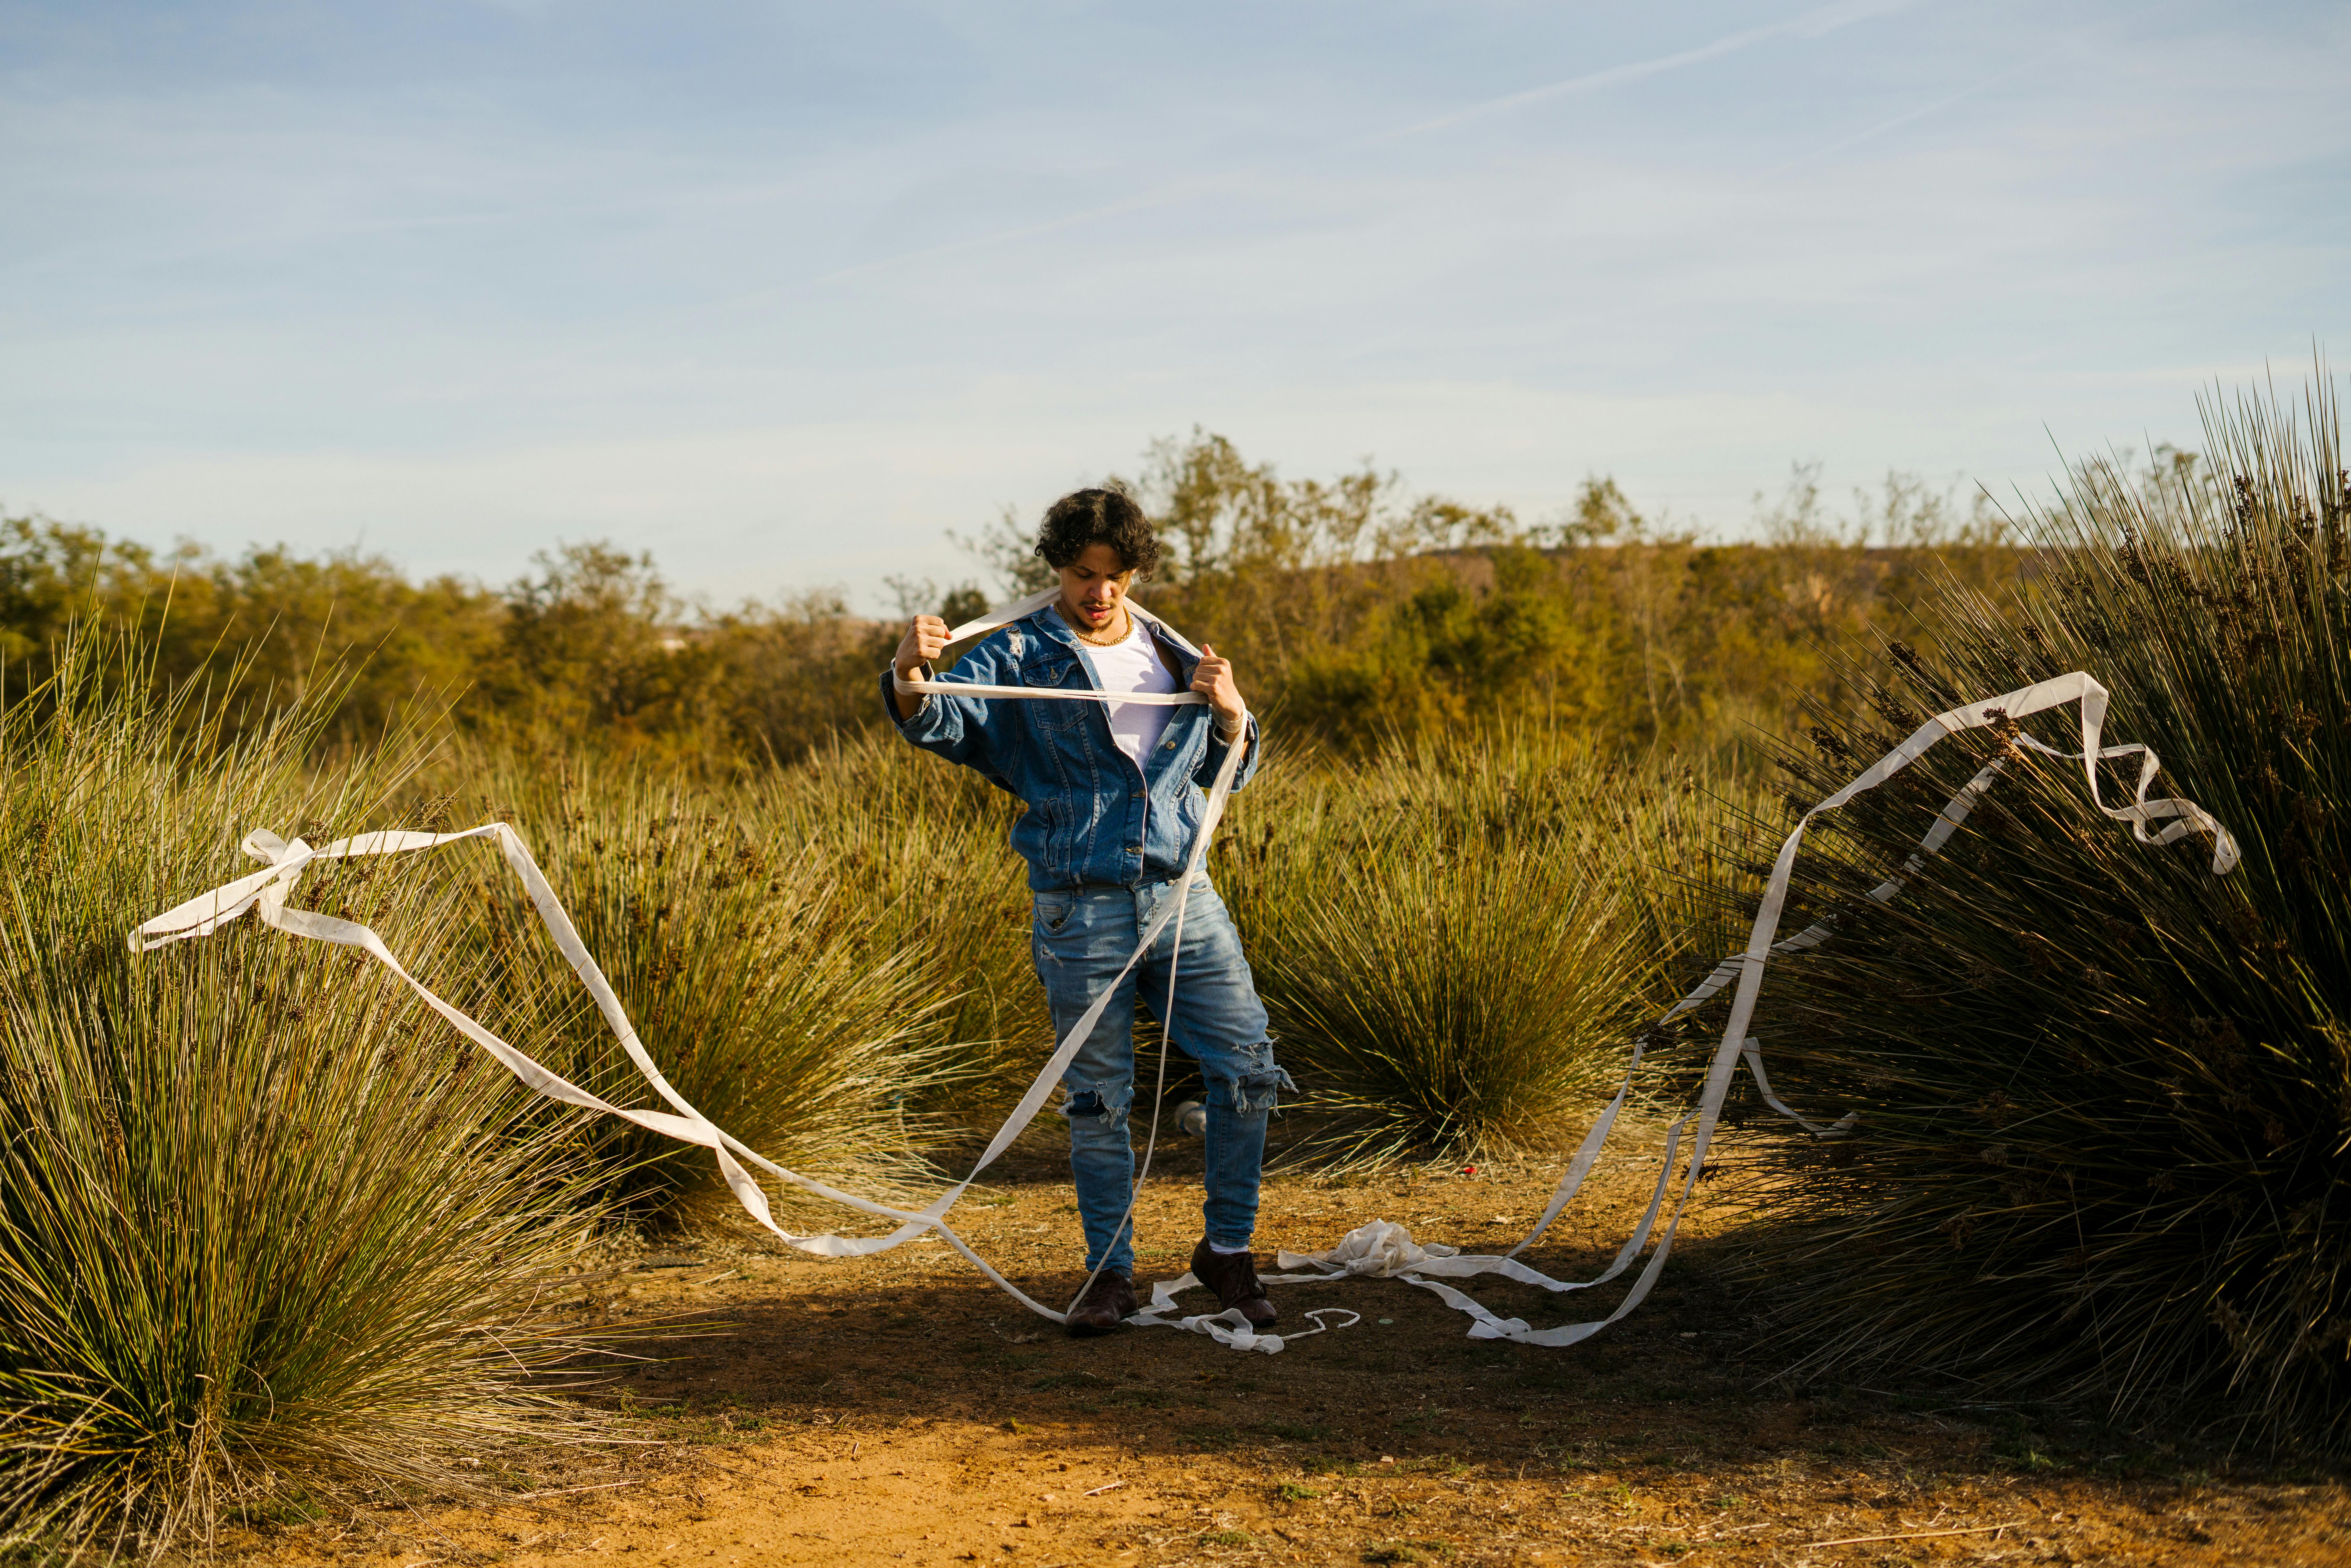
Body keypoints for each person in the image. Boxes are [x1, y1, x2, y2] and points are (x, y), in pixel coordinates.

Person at [886, 487, 1293, 1336]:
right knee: (1099, 1102)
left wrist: (1228, 719)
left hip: (1186, 898)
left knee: (1249, 1070)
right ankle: (1110, 1275)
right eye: (1082, 574)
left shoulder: (1174, 652)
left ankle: (1227, 1250)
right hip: (1080, 911)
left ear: (1136, 573)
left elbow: (1233, 772)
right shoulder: (1020, 652)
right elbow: (943, 720)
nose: (1099, 592)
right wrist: (909, 676)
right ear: (1056, 570)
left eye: (1115, 575)